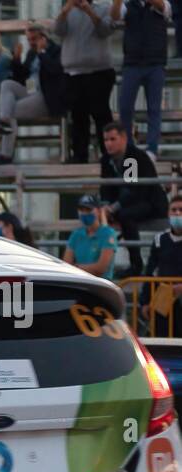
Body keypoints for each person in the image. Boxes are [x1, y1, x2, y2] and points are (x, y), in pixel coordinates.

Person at [100, 121, 169, 275]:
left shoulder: (132, 157)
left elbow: (131, 190)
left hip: (149, 202)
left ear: (124, 138)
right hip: (127, 203)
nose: (108, 144)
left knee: (125, 216)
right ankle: (100, 266)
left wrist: (112, 208)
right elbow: (105, 187)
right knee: (99, 216)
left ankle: (136, 265)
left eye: (112, 139)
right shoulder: (106, 160)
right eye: (106, 140)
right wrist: (105, 205)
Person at [0, 22, 66, 164]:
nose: (31, 43)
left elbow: (54, 70)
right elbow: (23, 77)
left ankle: (5, 154)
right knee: (6, 85)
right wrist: (16, 60)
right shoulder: (31, 53)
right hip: (30, 90)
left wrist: (42, 53)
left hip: (46, 96)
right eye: (28, 39)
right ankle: (3, 117)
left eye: (34, 39)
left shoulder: (56, 51)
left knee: (11, 111)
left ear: (44, 37)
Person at [54, 0, 114, 162]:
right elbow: (58, 31)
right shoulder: (67, 11)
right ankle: (80, 155)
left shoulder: (104, 8)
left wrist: (90, 12)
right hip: (73, 73)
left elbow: (106, 30)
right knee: (78, 117)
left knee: (101, 115)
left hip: (98, 72)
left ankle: (109, 154)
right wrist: (65, 11)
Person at [112, 0, 171, 158]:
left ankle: (152, 149)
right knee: (125, 108)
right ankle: (129, 148)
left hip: (155, 64)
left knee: (154, 109)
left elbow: (163, 7)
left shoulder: (162, 3)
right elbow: (115, 16)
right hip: (132, 64)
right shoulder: (128, 6)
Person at [143, 196, 182, 332]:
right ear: (168, 213)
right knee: (162, 337)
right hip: (163, 298)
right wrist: (145, 301)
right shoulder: (160, 239)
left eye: (181, 210)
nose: (177, 213)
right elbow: (150, 271)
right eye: (174, 210)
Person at [63, 194, 118, 278]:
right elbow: (66, 265)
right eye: (81, 209)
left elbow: (100, 269)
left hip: (100, 284)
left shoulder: (108, 233)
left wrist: (76, 267)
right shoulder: (76, 234)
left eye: (88, 209)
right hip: (80, 281)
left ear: (99, 211)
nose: (84, 213)